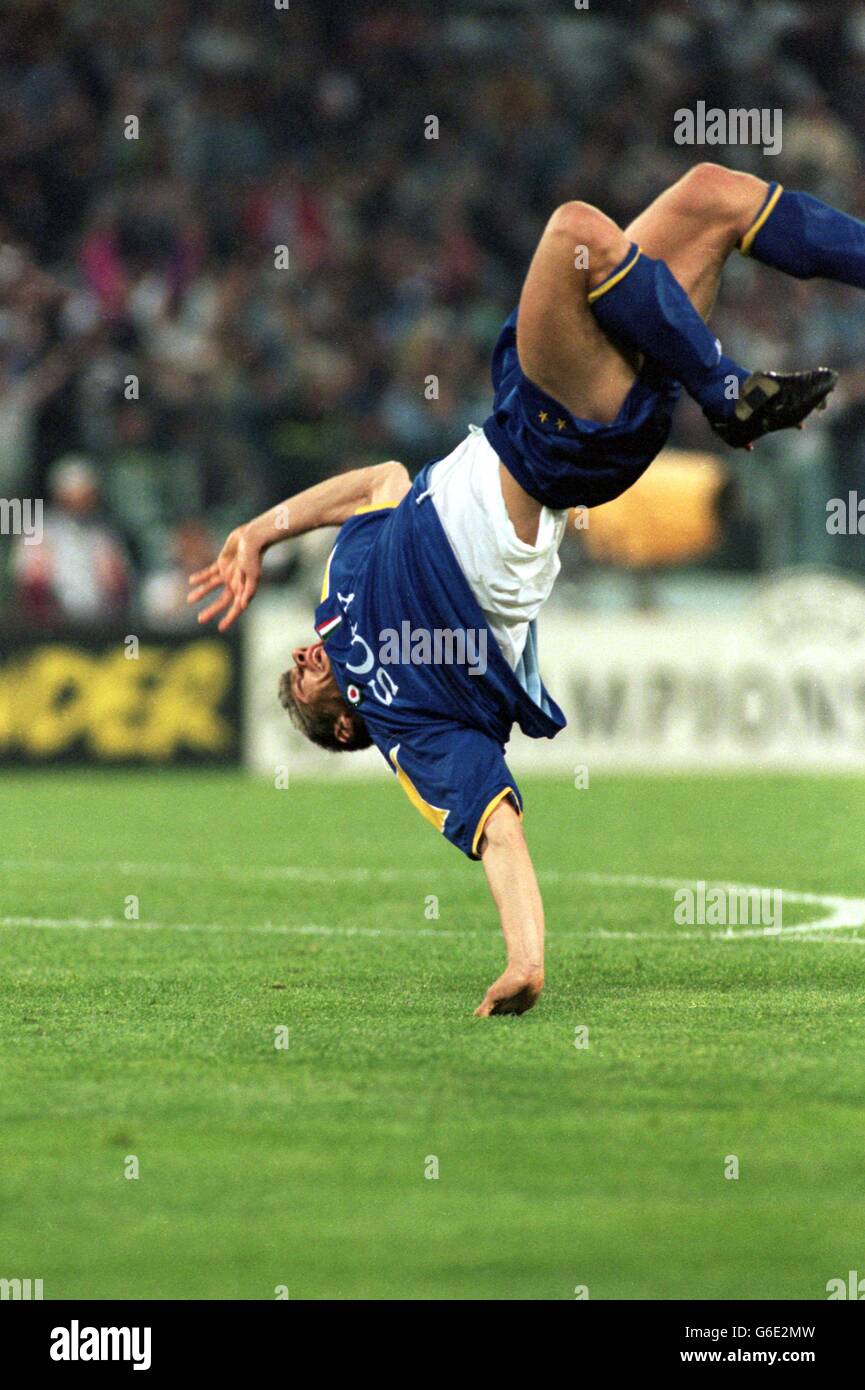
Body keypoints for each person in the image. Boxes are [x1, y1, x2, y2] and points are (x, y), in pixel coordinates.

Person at [189, 163, 865, 1016]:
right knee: (575, 232)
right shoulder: (412, 725)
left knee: (711, 195)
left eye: (294, 664)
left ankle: (719, 382)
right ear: (347, 722)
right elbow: (497, 828)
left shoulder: (343, 582)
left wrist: (258, 529)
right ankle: (723, 390)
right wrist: (527, 962)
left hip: (552, 411)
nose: (300, 658)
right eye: (302, 684)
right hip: (550, 444)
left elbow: (378, 480)